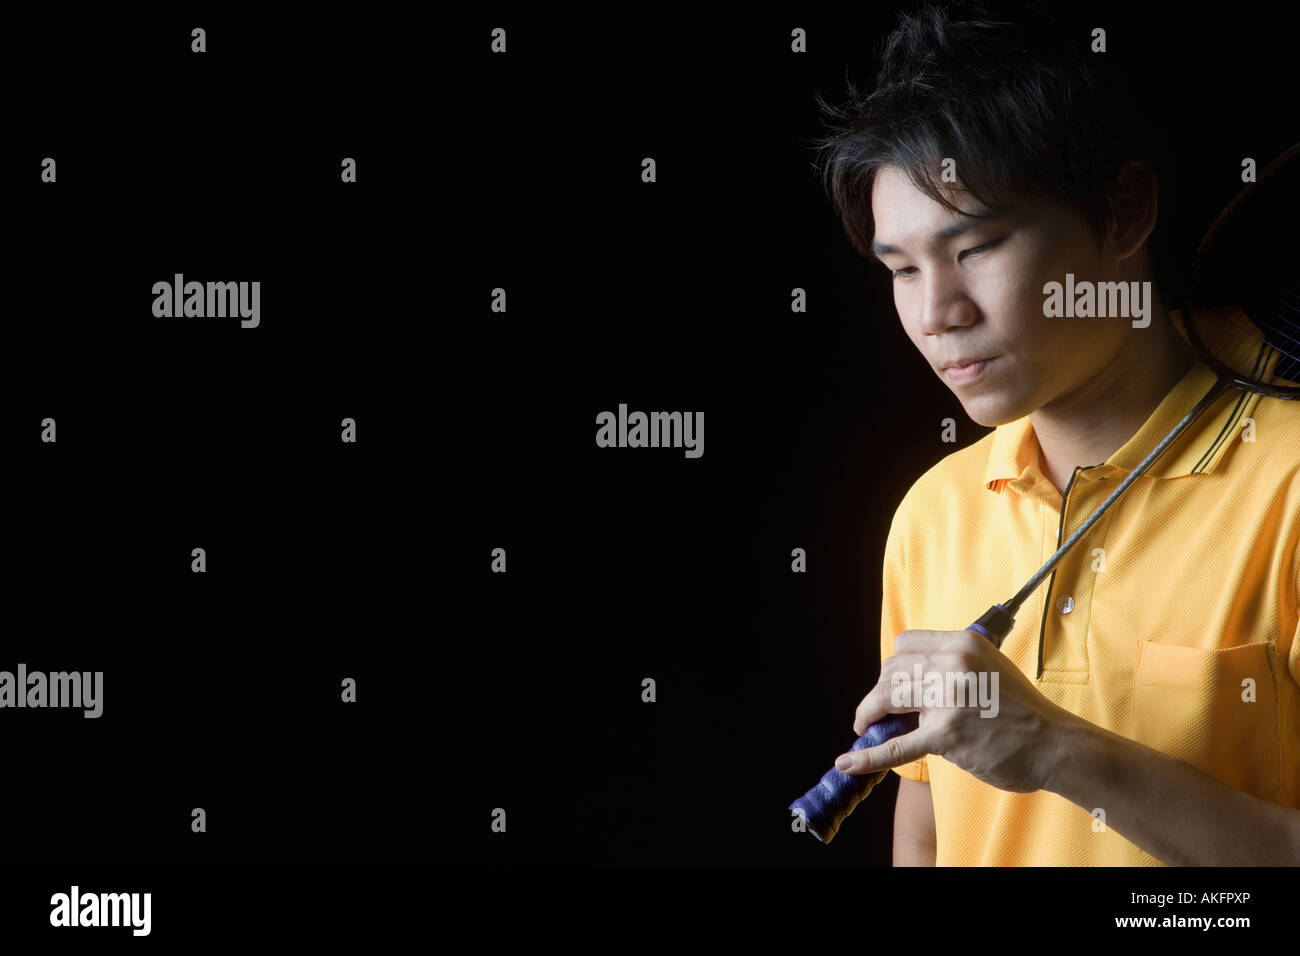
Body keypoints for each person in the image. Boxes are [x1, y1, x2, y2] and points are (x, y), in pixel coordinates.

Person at [811, 0, 1300, 865]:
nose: (936, 315)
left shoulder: (1291, 482)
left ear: (1125, 211)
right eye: (901, 269)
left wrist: (1056, 750)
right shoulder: (933, 515)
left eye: (977, 248)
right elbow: (923, 844)